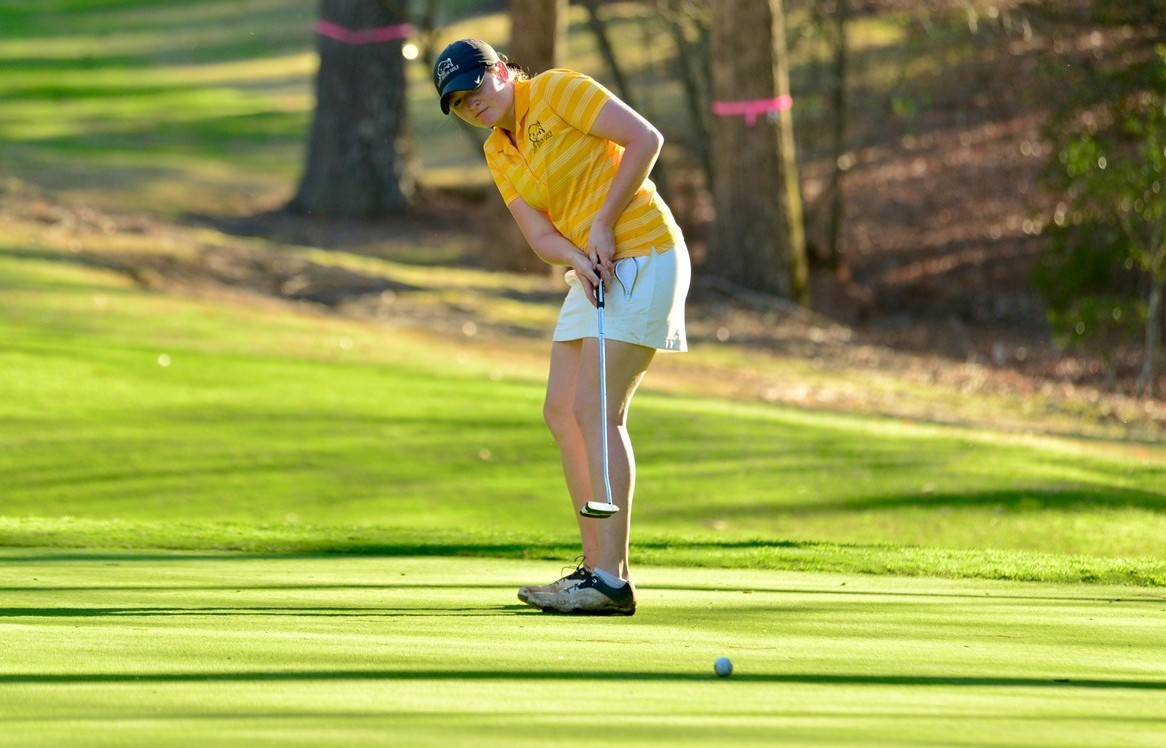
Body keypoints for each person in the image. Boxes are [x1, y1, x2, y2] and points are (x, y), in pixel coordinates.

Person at [433, 39, 690, 616]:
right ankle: (596, 566)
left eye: (476, 86)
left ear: (501, 70)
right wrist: (577, 255)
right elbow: (538, 234)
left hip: (643, 251)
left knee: (598, 410)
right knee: (561, 410)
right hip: (593, 265)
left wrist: (600, 223)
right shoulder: (497, 151)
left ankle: (610, 578)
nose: (471, 102)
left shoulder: (557, 89)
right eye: (457, 100)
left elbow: (646, 140)